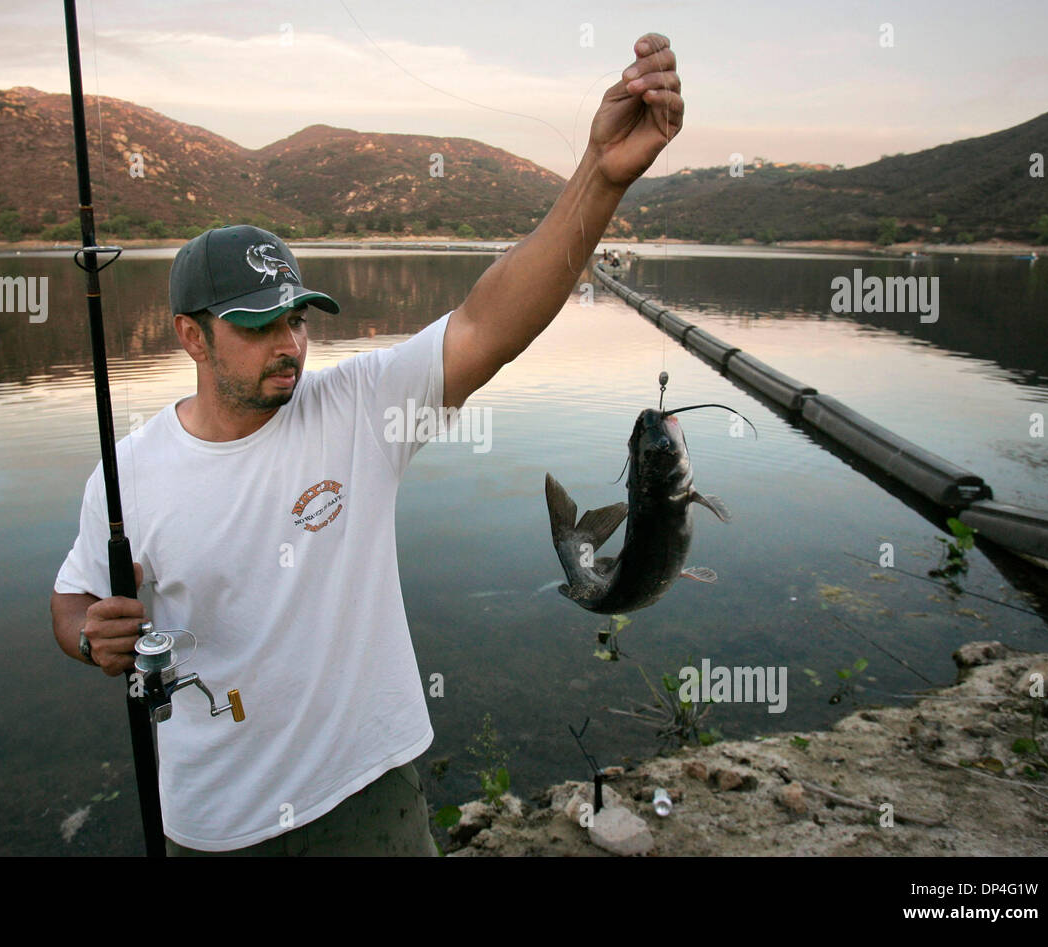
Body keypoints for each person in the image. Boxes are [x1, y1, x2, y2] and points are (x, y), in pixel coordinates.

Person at [50, 31, 683, 856]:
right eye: (256, 325)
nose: (289, 343)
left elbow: (489, 323)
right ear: (190, 336)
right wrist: (91, 634)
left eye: (296, 318)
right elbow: (72, 602)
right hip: (215, 821)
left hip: (368, 788)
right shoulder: (129, 472)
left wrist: (599, 177)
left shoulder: (357, 409)